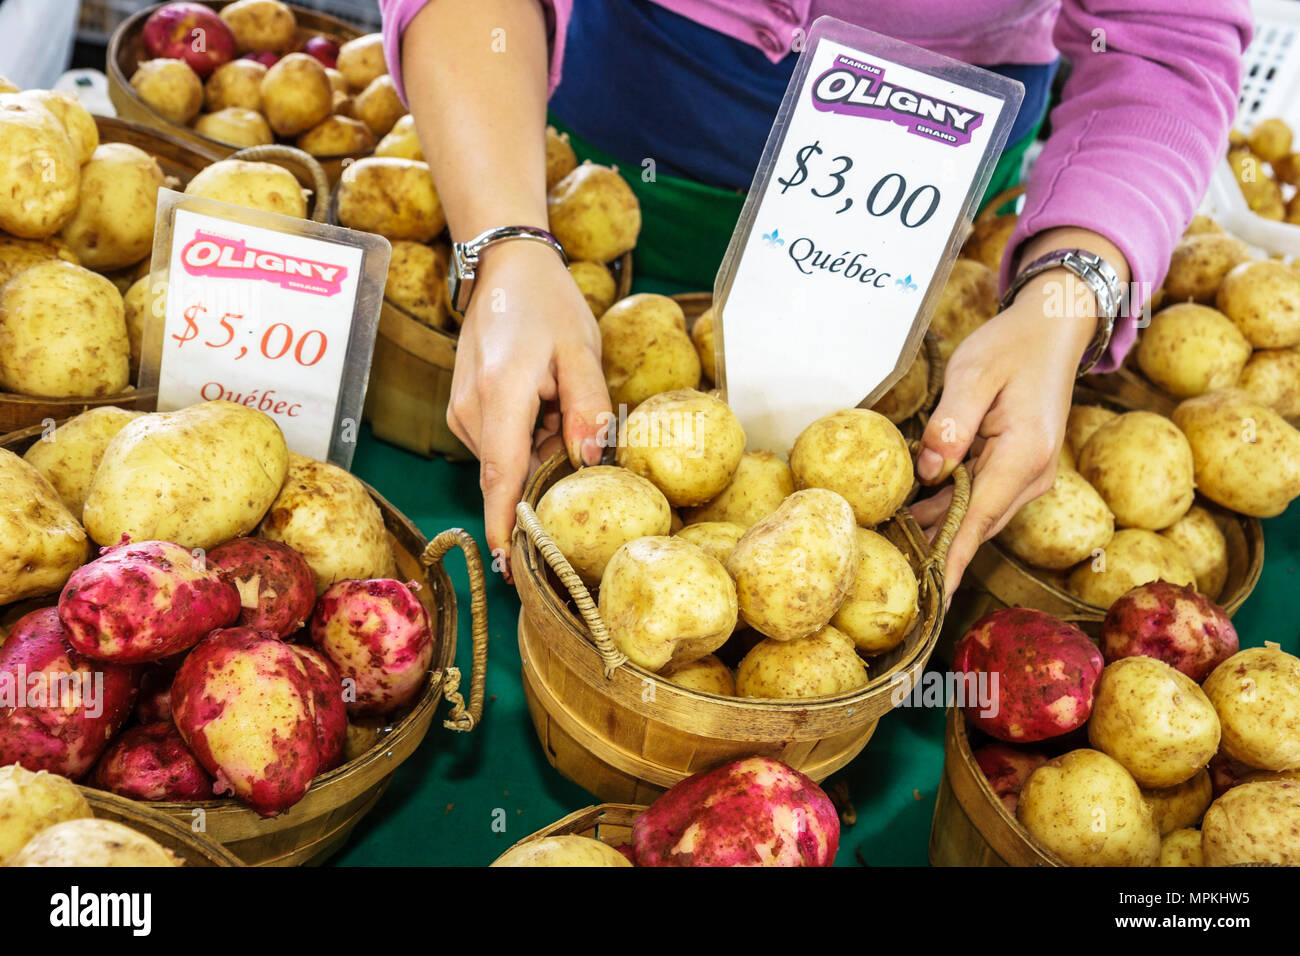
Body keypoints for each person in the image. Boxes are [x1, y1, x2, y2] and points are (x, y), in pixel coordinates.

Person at [379, 0, 1249, 593]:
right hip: (582, 167)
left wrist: (1068, 299)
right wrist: (504, 240)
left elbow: (1164, 34)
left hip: (906, 234)